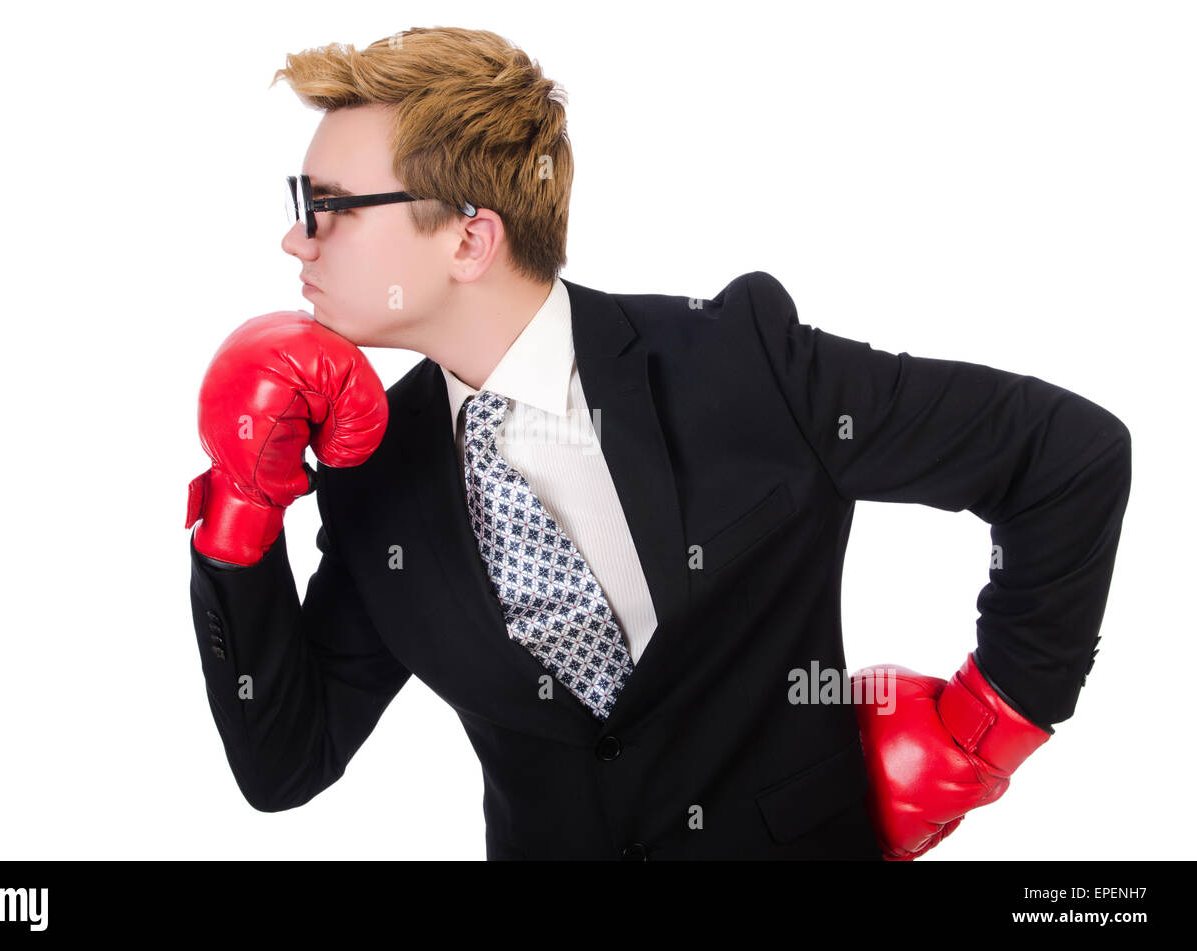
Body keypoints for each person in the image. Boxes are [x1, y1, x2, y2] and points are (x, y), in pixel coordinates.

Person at [184, 26, 1131, 860]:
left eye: (331, 205)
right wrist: (239, 516)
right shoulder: (373, 479)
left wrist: (989, 724)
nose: (296, 241)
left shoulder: (739, 359)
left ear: (469, 240)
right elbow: (286, 760)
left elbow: (1065, 455)